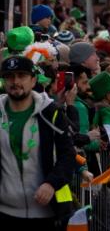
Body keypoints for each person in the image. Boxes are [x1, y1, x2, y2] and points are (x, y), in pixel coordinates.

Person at [0, 56, 76, 229]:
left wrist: (51, 183)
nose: (16, 81)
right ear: (4, 81)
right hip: (5, 212)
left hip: (45, 213)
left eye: (22, 76)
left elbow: (68, 154)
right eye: (10, 76)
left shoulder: (50, 113)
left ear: (33, 80)